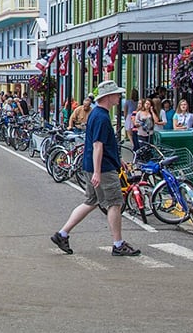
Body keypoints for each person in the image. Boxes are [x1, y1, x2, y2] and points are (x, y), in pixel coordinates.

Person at [51, 80, 141, 257]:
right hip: (103, 168)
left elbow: (104, 144)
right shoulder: (101, 117)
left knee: (92, 201)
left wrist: (118, 159)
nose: (119, 97)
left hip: (95, 165)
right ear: (108, 97)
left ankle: (62, 233)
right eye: (116, 94)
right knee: (115, 202)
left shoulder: (97, 114)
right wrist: (99, 172)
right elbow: (98, 145)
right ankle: (118, 243)